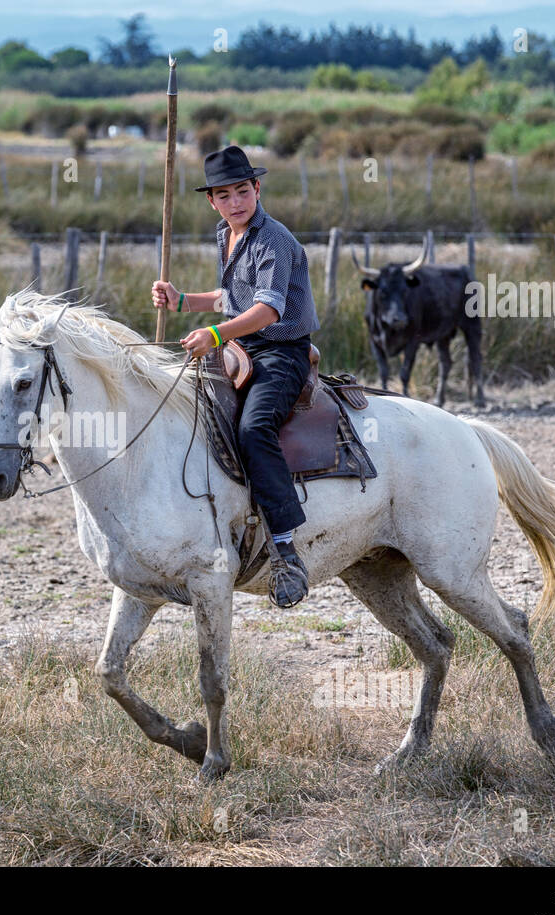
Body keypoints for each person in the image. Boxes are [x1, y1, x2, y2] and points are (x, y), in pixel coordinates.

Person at [150, 144, 319, 608]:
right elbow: (232, 296)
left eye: (242, 191)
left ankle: (285, 547)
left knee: (253, 427)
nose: (235, 202)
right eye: (224, 196)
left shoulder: (273, 240)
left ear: (257, 188)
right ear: (212, 202)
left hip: (281, 351)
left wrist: (215, 336)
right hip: (243, 344)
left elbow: (266, 309)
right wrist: (183, 300)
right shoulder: (224, 234)